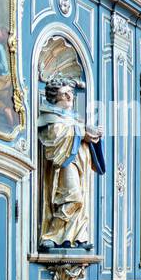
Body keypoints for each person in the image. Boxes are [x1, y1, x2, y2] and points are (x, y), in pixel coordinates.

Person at [39, 78, 104, 249]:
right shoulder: (49, 116)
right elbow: (54, 138)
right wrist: (82, 132)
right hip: (66, 163)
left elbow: (83, 134)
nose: (69, 96)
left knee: (81, 199)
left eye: (70, 93)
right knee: (73, 197)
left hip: (81, 162)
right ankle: (52, 235)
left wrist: (95, 135)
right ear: (55, 97)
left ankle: (75, 238)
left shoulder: (73, 118)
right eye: (64, 93)